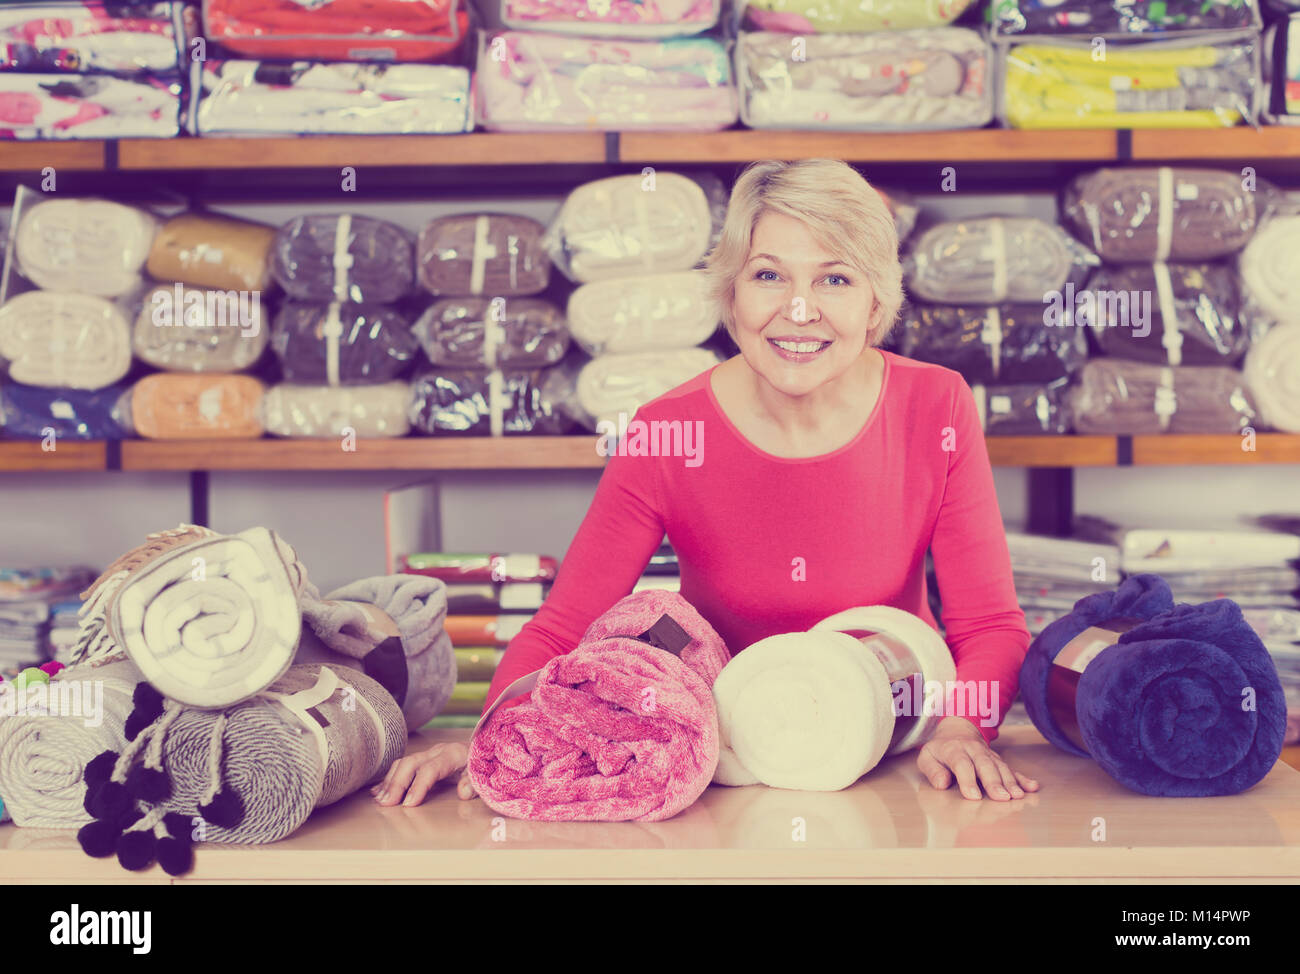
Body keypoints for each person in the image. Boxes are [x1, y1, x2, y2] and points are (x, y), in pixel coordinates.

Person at [374, 158, 1039, 809]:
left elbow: (989, 624)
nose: (799, 310)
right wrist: (492, 728)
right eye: (769, 275)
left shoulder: (937, 404)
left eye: (835, 279)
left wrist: (960, 729)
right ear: (731, 294)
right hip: (724, 762)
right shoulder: (668, 430)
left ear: (875, 304)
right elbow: (564, 627)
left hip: (890, 753)